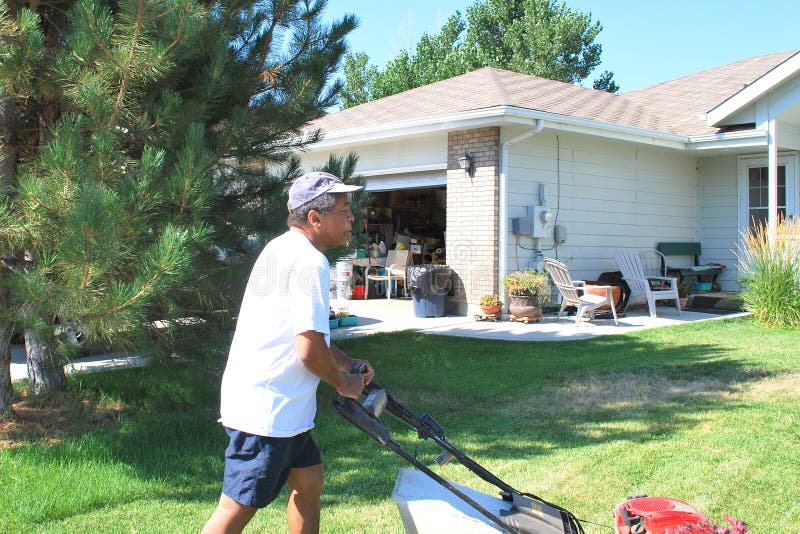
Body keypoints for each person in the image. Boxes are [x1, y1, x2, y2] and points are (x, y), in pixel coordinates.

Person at [202, 172, 374, 534]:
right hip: (268, 413)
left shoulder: (281, 247)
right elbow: (309, 350)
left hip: (284, 409)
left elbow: (309, 333)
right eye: (344, 210)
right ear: (315, 218)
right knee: (236, 509)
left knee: (309, 482)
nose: (351, 218)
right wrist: (345, 383)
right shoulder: (310, 262)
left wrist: (348, 363)